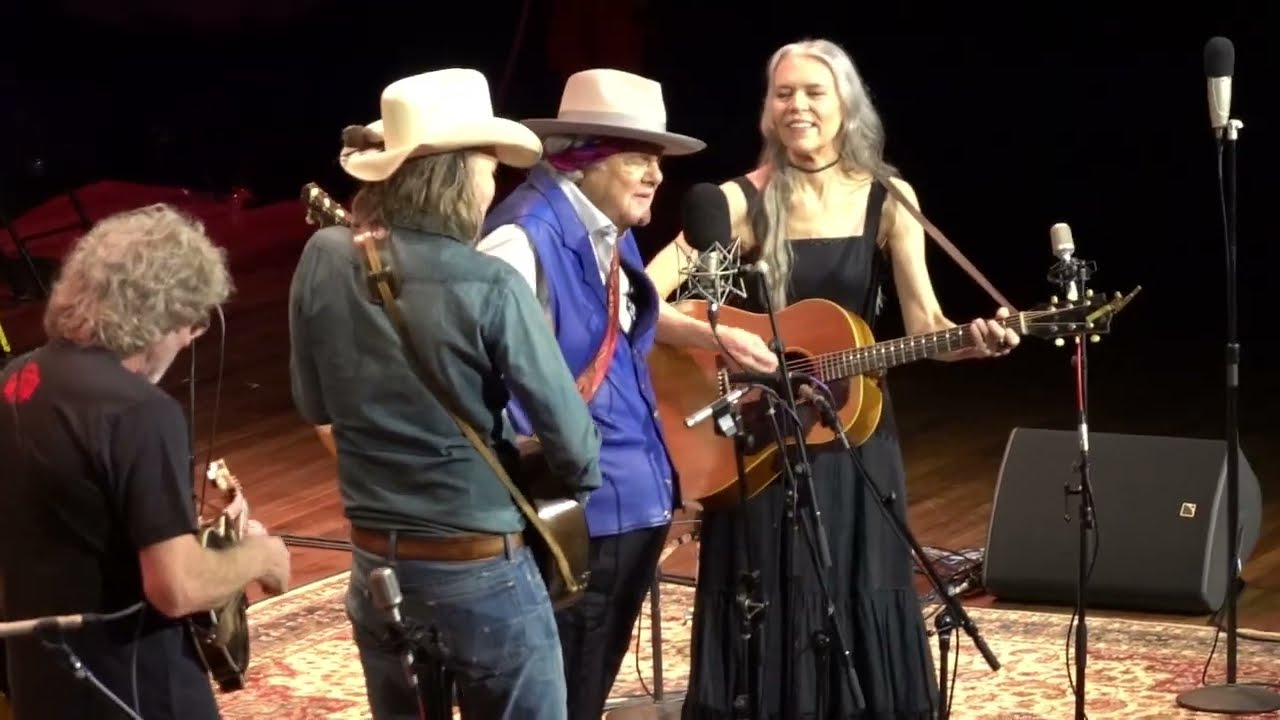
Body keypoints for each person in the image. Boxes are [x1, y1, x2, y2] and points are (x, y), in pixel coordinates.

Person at [646, 39, 1022, 718]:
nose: (798, 106)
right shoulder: (739, 201)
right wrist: (718, 338)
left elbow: (926, 325)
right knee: (768, 589)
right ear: (768, 109)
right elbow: (642, 298)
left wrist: (970, 344)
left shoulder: (889, 199)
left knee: (856, 580)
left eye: (814, 92)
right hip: (759, 438)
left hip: (853, 430)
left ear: (846, 105)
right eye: (784, 93)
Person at [288, 68, 603, 719]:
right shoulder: (491, 284)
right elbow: (576, 448)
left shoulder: (322, 255)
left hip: (375, 567)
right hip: (478, 571)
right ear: (458, 176)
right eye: (489, 168)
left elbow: (314, 405)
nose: (494, 186)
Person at [476, 68, 776, 719]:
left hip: (632, 503)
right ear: (581, 157)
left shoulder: (608, 225)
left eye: (657, 159)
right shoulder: (520, 240)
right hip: (579, 513)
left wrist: (711, 335)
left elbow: (626, 312)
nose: (656, 175)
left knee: (585, 685)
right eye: (638, 157)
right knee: (561, 695)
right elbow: (476, 371)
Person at [0, 203, 293, 720]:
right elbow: (176, 588)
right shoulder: (140, 411)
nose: (190, 338)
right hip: (135, 689)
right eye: (190, 323)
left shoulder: (12, 383)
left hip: (40, 685)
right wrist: (260, 556)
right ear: (162, 315)